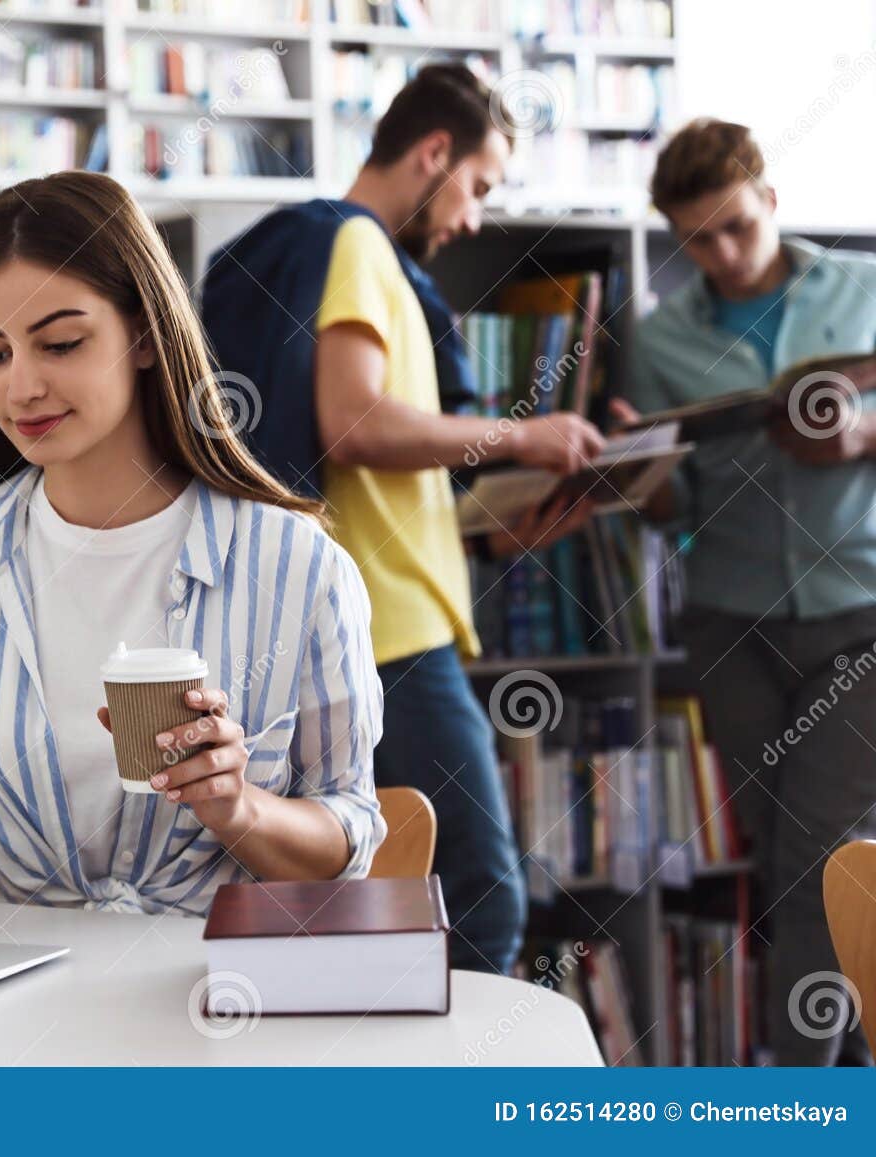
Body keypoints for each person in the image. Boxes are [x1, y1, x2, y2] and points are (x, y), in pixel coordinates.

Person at [0, 170, 385, 929]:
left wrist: (237, 807)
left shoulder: (295, 564)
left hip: (222, 998)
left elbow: (351, 834)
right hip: (21, 1003)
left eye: (62, 343)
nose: (22, 389)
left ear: (143, 334)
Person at [200, 64, 605, 974]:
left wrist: (520, 523)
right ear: (433, 153)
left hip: (383, 620)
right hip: (391, 636)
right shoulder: (355, 245)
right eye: (478, 184)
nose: (471, 217)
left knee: (380, 910)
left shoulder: (353, 257)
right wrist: (520, 434)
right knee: (482, 901)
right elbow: (354, 421)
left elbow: (384, 477)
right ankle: (450, 1111)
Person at [611, 118, 876, 1066]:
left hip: (860, 613)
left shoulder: (863, 289)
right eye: (696, 241)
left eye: (735, 228)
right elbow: (673, 493)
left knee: (815, 860)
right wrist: (641, 486)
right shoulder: (658, 339)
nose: (719, 255)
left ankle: (792, 1102)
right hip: (733, 623)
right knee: (786, 864)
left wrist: (859, 436)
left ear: (771, 201)